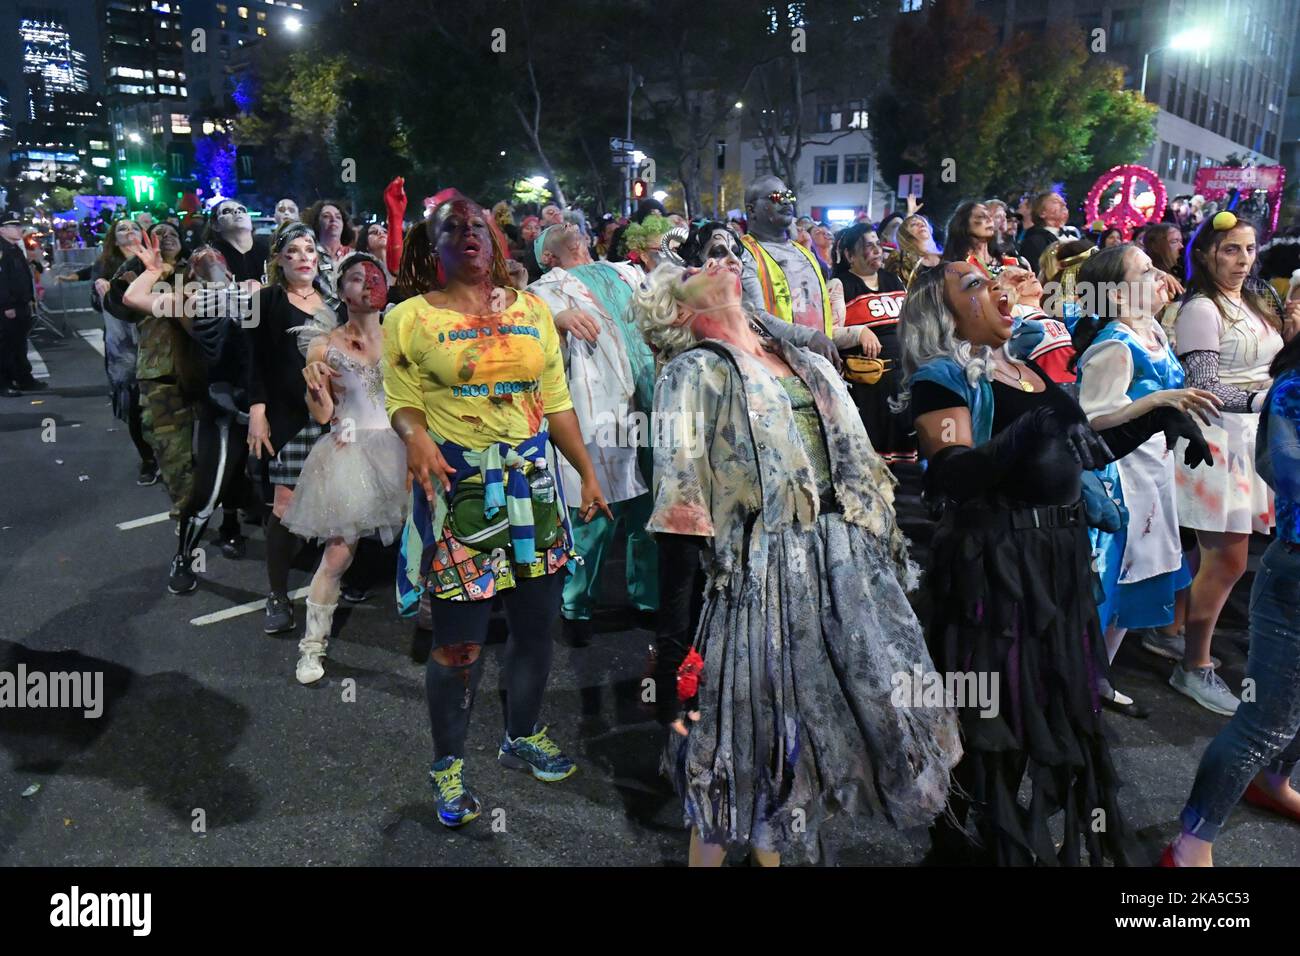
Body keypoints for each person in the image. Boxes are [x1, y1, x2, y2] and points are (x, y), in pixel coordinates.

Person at [634, 251, 960, 866]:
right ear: (683, 310)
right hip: (760, 578)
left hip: (840, 565)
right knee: (738, 744)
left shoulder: (800, 358)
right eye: (693, 268)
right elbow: (680, 506)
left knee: (802, 744)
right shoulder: (692, 373)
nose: (716, 257)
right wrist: (673, 638)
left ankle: (775, 855)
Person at [898, 261, 1195, 865]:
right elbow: (955, 473)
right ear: (943, 314)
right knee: (992, 720)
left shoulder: (1027, 367)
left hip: (1057, 567)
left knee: (1052, 712)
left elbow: (1079, 453)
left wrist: (1158, 418)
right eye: (974, 285)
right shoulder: (941, 376)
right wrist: (1031, 425)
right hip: (994, 568)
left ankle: (1012, 839)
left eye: (993, 278)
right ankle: (978, 848)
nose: (998, 288)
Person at [384, 192, 611, 827]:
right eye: (451, 228)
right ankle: (448, 767)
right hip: (462, 491)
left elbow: (556, 399)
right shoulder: (408, 318)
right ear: (434, 247)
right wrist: (416, 434)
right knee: (460, 645)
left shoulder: (534, 310)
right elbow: (400, 400)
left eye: (478, 225)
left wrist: (587, 474)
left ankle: (521, 733)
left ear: (495, 238)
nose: (468, 235)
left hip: (534, 488)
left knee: (537, 628)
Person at [1163, 328, 1300, 865]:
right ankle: (1190, 842)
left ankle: (1273, 780)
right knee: (1265, 721)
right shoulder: (1292, 389)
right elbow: (1287, 470)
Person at [1072, 244, 1220, 718]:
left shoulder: (1153, 329)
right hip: (1120, 478)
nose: (1160, 276)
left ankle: (1098, 677)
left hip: (1152, 474)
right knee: (1109, 582)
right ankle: (1076, 686)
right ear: (1116, 297)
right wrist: (1157, 404)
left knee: (1137, 580)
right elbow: (1091, 418)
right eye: (1146, 270)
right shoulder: (1116, 343)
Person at [1165, 212, 1296, 715]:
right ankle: (1193, 667)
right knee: (1228, 559)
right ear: (1204, 254)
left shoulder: (1252, 300)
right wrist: (1272, 398)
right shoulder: (1200, 308)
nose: (1242, 260)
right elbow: (1205, 387)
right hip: (1217, 441)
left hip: (1249, 438)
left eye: (1248, 249)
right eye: (1229, 250)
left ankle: (1173, 632)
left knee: (1204, 555)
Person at [281, 252, 408, 683]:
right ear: (341, 291)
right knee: (338, 554)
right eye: (356, 277)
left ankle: (444, 633)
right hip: (352, 448)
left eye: (375, 274)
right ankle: (311, 648)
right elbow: (321, 413)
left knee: (434, 540)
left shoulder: (403, 331)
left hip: (406, 447)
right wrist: (314, 376)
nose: (368, 282)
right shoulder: (327, 342)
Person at [528, 222, 657, 645]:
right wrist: (558, 318)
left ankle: (648, 599)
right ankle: (577, 604)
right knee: (595, 514)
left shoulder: (626, 270)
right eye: (553, 229)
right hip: (599, 410)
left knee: (649, 509)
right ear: (547, 256)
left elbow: (668, 298)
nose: (567, 223)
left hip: (650, 399)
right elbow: (526, 319)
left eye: (570, 222)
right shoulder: (545, 288)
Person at [245, 221, 340, 634]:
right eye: (295, 251)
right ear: (279, 259)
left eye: (309, 251)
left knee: (340, 498)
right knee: (283, 509)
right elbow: (250, 361)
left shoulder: (334, 303)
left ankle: (337, 576)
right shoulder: (262, 300)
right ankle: (278, 594)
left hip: (333, 414)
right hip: (286, 417)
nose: (304, 258)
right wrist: (257, 410)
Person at [106, 222, 198, 520]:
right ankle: (186, 513)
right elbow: (118, 305)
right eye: (159, 234)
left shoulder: (198, 268)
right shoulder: (138, 273)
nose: (167, 238)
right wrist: (143, 271)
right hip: (161, 376)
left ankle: (229, 514)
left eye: (173, 233)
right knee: (170, 450)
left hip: (204, 373)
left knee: (219, 449)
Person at [828, 222, 915, 464]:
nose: (877, 250)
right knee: (874, 459)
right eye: (869, 246)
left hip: (904, 376)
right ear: (849, 255)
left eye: (878, 244)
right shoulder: (840, 285)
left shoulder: (894, 280)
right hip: (869, 383)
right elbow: (826, 333)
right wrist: (859, 333)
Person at [89, 217, 156, 480]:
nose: (129, 232)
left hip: (156, 340)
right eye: (122, 229)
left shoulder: (154, 260)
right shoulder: (104, 265)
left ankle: (172, 454)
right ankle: (148, 458)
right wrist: (100, 292)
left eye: (133, 228)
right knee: (134, 407)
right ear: (114, 239)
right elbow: (96, 303)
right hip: (124, 349)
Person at [739, 176, 832, 336]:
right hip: (772, 357)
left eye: (788, 196)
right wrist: (808, 338)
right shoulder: (743, 253)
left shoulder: (803, 252)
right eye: (776, 197)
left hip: (816, 358)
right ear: (752, 210)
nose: (786, 202)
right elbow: (753, 317)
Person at [0, 213, 41, 397]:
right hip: (9, 306)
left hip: (21, 303)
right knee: (6, 347)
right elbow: (2, 281)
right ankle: (5, 382)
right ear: (2, 230)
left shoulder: (15, 248)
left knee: (19, 344)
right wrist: (6, 305)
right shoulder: (3, 250)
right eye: (13, 227)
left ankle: (24, 378)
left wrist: (30, 298)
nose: (18, 229)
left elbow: (23, 277)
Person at [302, 199, 356, 296]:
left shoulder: (353, 256)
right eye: (326, 216)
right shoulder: (307, 256)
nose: (333, 219)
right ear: (316, 222)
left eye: (338, 217)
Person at [883, 213, 942, 287]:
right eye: (913, 224)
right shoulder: (900, 259)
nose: (920, 224)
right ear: (905, 236)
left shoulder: (947, 257)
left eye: (923, 223)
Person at [1019, 191, 1072, 273]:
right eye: (1055, 201)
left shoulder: (1073, 237)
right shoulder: (1033, 242)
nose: (1063, 203)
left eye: (1063, 201)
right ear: (1042, 213)